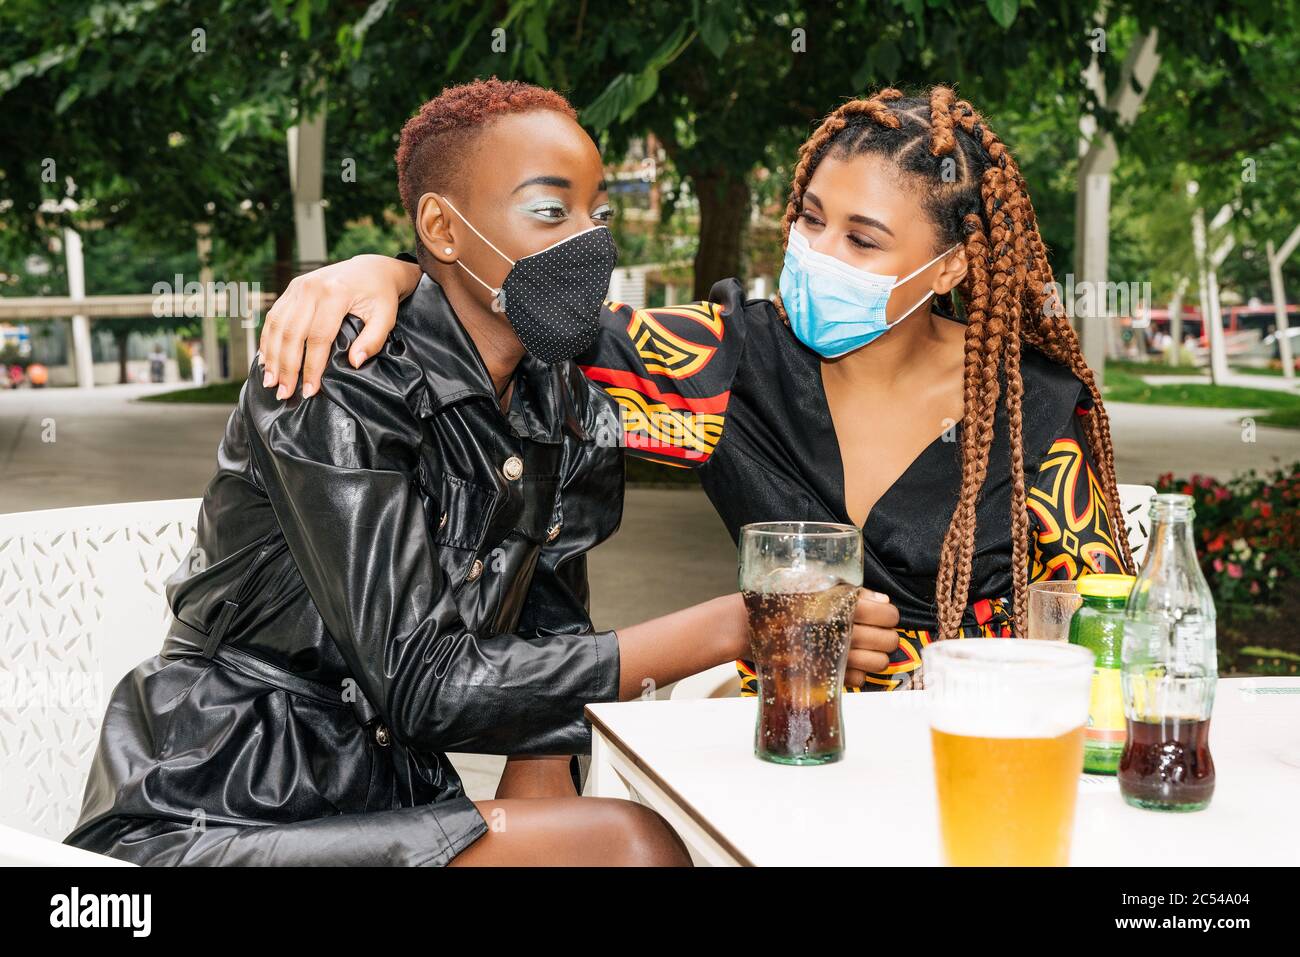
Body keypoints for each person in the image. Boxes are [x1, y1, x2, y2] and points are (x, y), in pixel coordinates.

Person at [65, 78, 763, 867]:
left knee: (609, 836)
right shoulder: (338, 372)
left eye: (596, 213)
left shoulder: (562, 398)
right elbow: (423, 684)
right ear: (442, 227)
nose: (588, 241)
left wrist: (549, 793)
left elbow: (551, 657)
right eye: (549, 210)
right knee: (628, 843)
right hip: (215, 804)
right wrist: (732, 627)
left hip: (390, 804)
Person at [262, 86, 1130, 694]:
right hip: (782, 724)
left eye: (862, 240)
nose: (818, 254)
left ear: (950, 268)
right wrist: (397, 271)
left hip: (976, 742)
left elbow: (1105, 631)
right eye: (810, 219)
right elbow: (527, 313)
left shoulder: (1032, 413)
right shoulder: (726, 363)